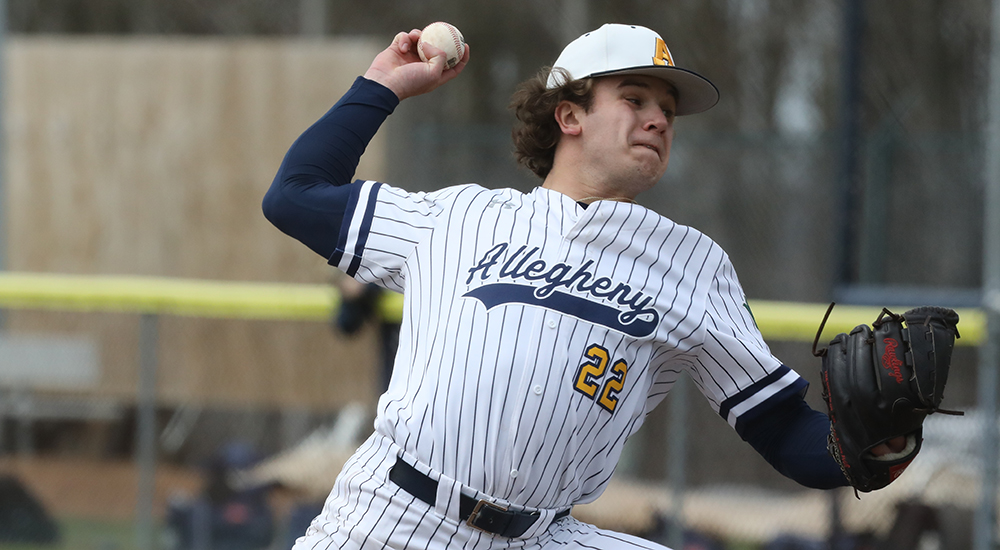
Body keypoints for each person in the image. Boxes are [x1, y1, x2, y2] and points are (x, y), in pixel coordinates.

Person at [263, 23, 905, 550]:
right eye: (634, 98)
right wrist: (383, 87)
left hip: (542, 536)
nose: (657, 119)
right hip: (392, 517)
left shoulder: (693, 266)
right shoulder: (458, 217)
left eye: (667, 110)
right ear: (569, 114)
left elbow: (785, 430)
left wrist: (883, 440)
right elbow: (296, 196)